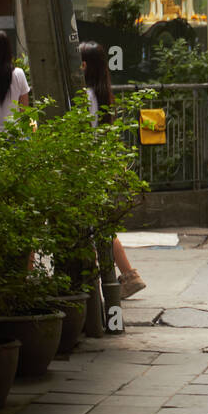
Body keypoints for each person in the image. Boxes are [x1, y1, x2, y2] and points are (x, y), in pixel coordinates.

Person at [80, 42, 147, 298]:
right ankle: (125, 276)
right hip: (98, 165)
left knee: (98, 227)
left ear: (84, 66)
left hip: (87, 167)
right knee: (99, 226)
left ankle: (128, 276)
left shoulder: (85, 97)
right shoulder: (100, 94)